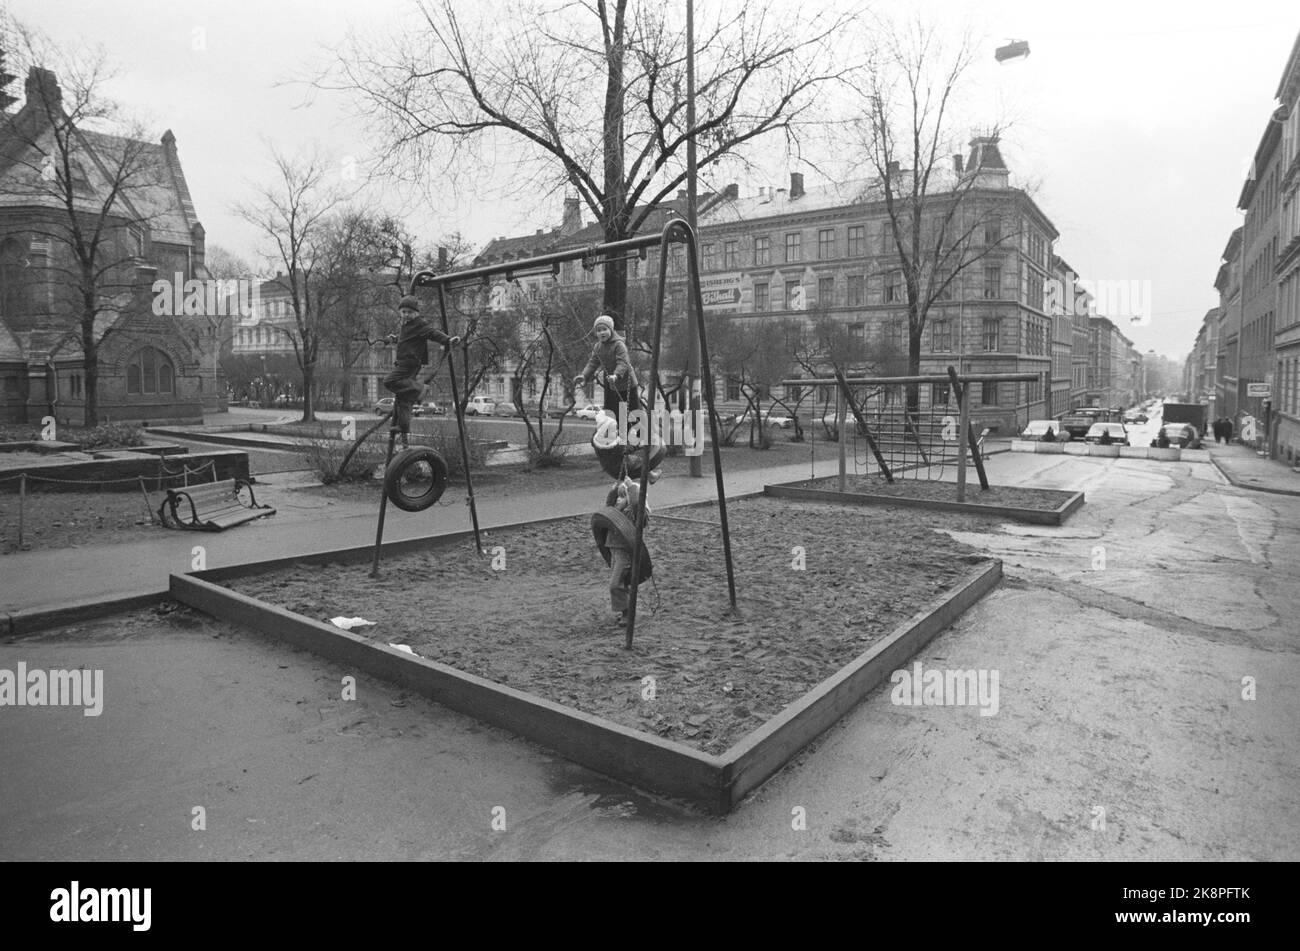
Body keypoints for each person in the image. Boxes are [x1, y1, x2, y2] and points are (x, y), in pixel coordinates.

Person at [383, 296, 459, 432]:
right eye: (404, 312)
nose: (406, 315)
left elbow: (432, 333)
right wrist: (396, 339)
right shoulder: (406, 325)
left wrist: (448, 340)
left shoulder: (419, 324)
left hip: (409, 363)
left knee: (389, 381)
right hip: (405, 362)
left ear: (416, 313)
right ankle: (404, 426)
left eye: (410, 312)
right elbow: (407, 340)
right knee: (403, 397)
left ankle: (420, 389)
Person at [574, 315, 641, 417]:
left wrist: (616, 375)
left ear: (611, 329)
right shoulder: (598, 347)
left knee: (634, 412)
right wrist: (584, 376)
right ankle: (619, 431)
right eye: (598, 330)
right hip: (614, 385)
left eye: (604, 329)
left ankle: (641, 432)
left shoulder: (618, 344)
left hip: (628, 383)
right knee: (617, 413)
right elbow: (592, 363)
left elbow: (623, 362)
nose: (602, 333)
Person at [606, 478, 649, 627]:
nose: (621, 499)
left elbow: (637, 502)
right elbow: (607, 508)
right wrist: (615, 489)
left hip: (626, 552)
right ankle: (626, 611)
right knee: (623, 583)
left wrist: (631, 486)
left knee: (615, 584)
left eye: (624, 497)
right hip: (614, 549)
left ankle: (628, 613)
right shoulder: (618, 510)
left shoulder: (637, 513)